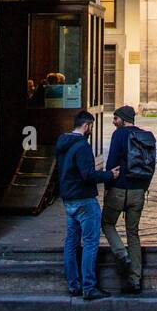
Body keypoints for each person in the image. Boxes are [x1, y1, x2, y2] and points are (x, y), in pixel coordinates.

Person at [55, 109, 119, 300]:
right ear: (86, 126)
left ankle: (73, 285)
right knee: (90, 243)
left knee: (71, 242)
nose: (91, 130)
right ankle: (89, 287)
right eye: (91, 126)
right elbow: (87, 174)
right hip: (84, 199)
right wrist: (110, 175)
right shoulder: (82, 146)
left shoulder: (62, 143)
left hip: (69, 200)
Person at [101, 105, 156, 295]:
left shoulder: (119, 135)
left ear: (123, 120)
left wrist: (108, 187)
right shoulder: (145, 136)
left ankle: (121, 253)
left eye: (115, 119)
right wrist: (143, 188)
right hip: (138, 192)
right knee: (133, 233)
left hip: (118, 189)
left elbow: (111, 162)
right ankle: (135, 279)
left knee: (107, 223)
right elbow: (151, 165)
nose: (113, 121)